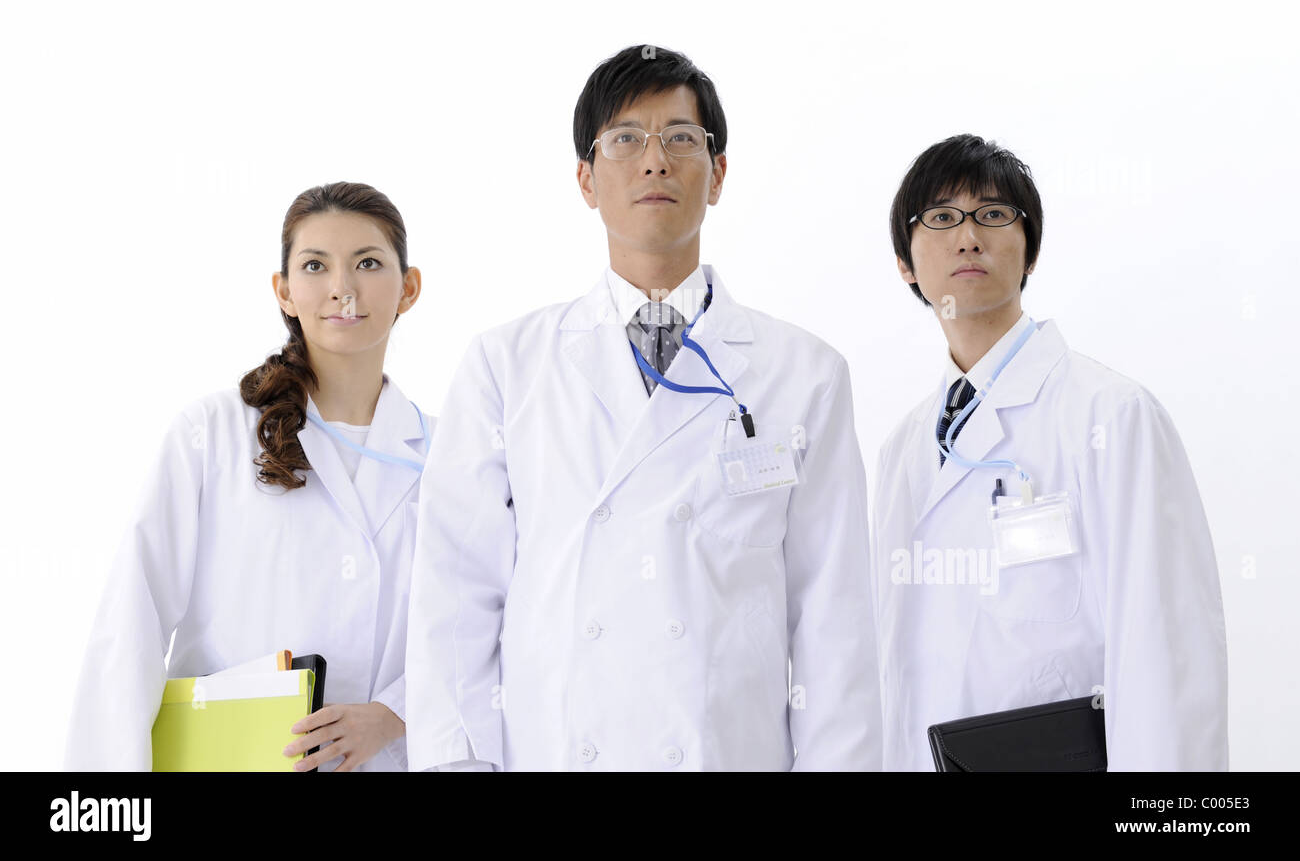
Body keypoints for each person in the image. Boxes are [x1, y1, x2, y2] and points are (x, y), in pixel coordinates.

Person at [405, 45, 880, 771]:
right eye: (625, 139)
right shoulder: (507, 366)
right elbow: (454, 601)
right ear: (586, 179)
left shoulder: (806, 374)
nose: (654, 161)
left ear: (717, 175)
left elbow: (834, 624)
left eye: (681, 139)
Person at [871, 134, 1228, 770]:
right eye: (942, 218)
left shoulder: (1112, 416)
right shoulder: (904, 448)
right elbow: (896, 667)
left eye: (994, 214)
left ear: (1029, 250)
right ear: (906, 260)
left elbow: (1166, 654)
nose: (968, 236)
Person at [65, 182, 429, 771]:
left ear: (408, 288)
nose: (342, 288)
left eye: (368, 262)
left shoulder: (450, 454)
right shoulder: (211, 434)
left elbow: (493, 629)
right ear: (284, 291)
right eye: (315, 266)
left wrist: (396, 712)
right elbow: (131, 621)